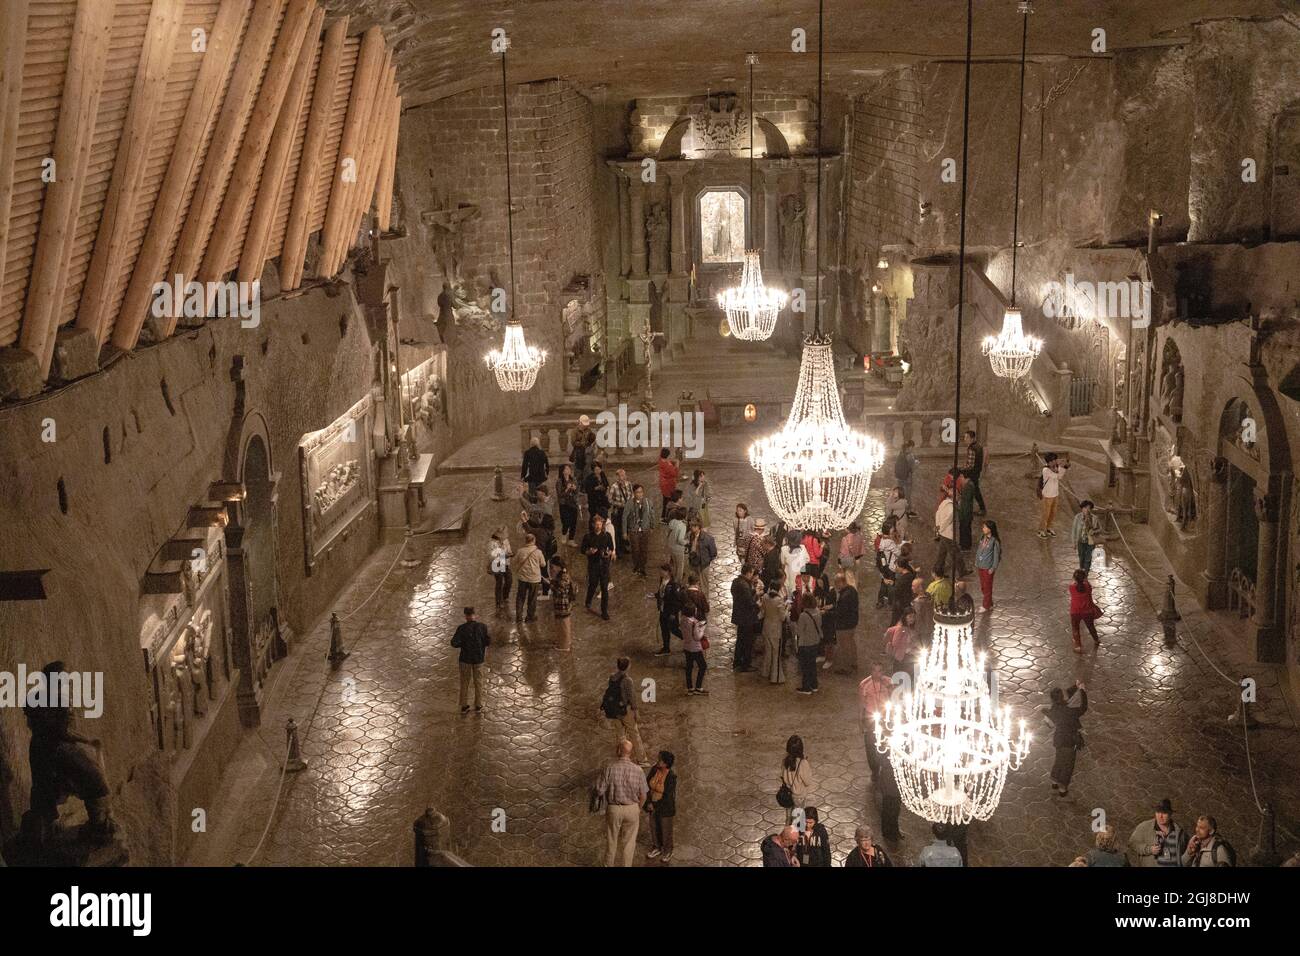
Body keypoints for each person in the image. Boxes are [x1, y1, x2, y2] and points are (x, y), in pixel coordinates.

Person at [596, 739, 648, 866]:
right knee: (629, 844)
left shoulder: (610, 768)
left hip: (614, 809)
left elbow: (600, 790)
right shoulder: (638, 770)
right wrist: (637, 809)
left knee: (611, 841)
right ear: (630, 753)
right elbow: (644, 795)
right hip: (632, 808)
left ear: (618, 751)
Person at [1041, 681, 1087, 796]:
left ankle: (1054, 780)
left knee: (1059, 760)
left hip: (1058, 739)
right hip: (1069, 741)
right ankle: (1062, 789)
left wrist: (1076, 686)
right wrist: (1083, 691)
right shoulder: (1071, 712)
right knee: (1068, 765)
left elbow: (1067, 694)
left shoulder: (1055, 707)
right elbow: (1083, 707)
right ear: (1062, 698)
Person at [600, 657, 647, 764]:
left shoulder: (612, 677)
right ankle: (642, 759)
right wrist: (636, 712)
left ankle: (622, 756)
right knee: (634, 733)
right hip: (625, 711)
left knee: (620, 734)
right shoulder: (627, 680)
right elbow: (632, 697)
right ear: (628, 666)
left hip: (614, 711)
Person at [450, 607, 490, 714]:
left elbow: (454, 643)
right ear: (475, 615)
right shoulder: (483, 627)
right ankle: (478, 705)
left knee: (464, 682)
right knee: (479, 682)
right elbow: (488, 641)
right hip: (479, 659)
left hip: (465, 659)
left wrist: (463, 643)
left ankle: (464, 706)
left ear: (465, 616)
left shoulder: (461, 628)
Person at [1128, 799, 1188, 867]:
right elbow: (1132, 843)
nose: (1160, 816)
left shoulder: (1179, 832)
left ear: (1170, 814)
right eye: (1158, 812)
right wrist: (1149, 849)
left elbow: (1186, 855)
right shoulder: (1144, 827)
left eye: (1164, 813)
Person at [858, 662, 892, 778]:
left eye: (880, 671)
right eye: (874, 670)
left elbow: (892, 700)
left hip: (884, 716)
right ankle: (874, 770)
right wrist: (860, 721)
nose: (877, 674)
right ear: (871, 671)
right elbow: (861, 704)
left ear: (883, 672)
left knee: (886, 742)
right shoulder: (864, 684)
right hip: (870, 717)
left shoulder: (888, 682)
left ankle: (886, 767)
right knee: (870, 744)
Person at [644, 751, 678, 862]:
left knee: (665, 829)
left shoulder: (671, 776)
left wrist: (654, 805)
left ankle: (668, 851)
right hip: (652, 805)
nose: (657, 761)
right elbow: (646, 784)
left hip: (665, 808)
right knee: (654, 827)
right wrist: (649, 802)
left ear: (665, 764)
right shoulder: (655, 769)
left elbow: (668, 795)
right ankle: (657, 847)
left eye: (660, 760)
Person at [582, 513, 616, 620]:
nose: (598, 526)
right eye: (596, 524)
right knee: (592, 585)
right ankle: (588, 601)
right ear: (593, 525)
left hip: (604, 566)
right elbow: (583, 550)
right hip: (593, 565)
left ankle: (604, 611)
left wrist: (608, 553)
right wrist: (590, 552)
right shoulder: (588, 537)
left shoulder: (607, 536)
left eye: (600, 524)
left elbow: (611, 548)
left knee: (604, 589)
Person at [829, 570, 860, 675]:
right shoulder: (852, 590)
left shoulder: (844, 596)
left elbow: (840, 612)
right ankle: (853, 662)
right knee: (851, 643)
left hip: (844, 625)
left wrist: (828, 612)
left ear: (840, 582)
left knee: (844, 646)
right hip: (852, 623)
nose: (836, 586)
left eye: (836, 584)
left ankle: (846, 668)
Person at [622, 483, 656, 576]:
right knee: (635, 549)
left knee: (644, 549)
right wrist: (624, 532)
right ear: (634, 493)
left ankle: (642, 567)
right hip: (634, 530)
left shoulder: (648, 502)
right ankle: (636, 565)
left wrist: (652, 526)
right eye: (637, 492)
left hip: (645, 529)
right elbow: (624, 517)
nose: (639, 494)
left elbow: (652, 514)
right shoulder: (629, 503)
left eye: (641, 492)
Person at [731, 565, 761, 672]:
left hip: (740, 616)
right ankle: (745, 664)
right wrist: (758, 604)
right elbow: (749, 602)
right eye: (752, 573)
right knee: (747, 641)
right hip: (746, 618)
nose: (753, 576)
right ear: (748, 573)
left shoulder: (736, 582)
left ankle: (737, 662)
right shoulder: (744, 585)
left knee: (740, 640)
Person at [511, 532, 544, 624]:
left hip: (522, 579)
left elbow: (514, 561)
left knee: (520, 597)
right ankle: (530, 617)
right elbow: (543, 564)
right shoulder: (538, 552)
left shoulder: (520, 551)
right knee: (532, 599)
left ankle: (519, 618)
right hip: (534, 579)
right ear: (534, 541)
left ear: (526, 541)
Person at [1068, 568, 1102, 654]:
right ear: (1084, 578)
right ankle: (1096, 640)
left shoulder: (1071, 587)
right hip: (1087, 611)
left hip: (1075, 611)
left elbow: (1074, 584)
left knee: (1075, 628)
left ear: (1074, 578)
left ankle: (1078, 646)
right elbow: (1087, 584)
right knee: (1091, 626)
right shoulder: (1088, 586)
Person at [780, 736, 814, 819]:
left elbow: (783, 776)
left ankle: (788, 830)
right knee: (798, 818)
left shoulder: (785, 760)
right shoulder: (803, 763)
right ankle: (796, 831)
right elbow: (807, 781)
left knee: (789, 816)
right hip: (799, 796)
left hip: (787, 793)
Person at [794, 598, 823, 695]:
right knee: (812, 664)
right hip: (815, 641)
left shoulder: (803, 615)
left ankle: (806, 687)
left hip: (806, 643)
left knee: (805, 666)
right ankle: (814, 685)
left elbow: (799, 631)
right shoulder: (818, 612)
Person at [1037, 452, 1070, 538]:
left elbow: (1059, 474)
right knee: (1046, 513)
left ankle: (1049, 527)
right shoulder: (1046, 470)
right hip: (1047, 495)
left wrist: (1063, 466)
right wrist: (1063, 467)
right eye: (1054, 460)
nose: (1056, 461)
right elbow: (1058, 476)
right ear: (1050, 461)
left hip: (1055, 494)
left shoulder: (1055, 467)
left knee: (1053, 513)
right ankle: (1041, 530)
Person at [934, 487, 964, 578]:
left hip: (943, 533)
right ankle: (962, 571)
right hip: (948, 534)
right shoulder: (951, 507)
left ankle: (937, 571)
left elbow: (937, 514)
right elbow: (947, 520)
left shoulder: (944, 502)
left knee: (942, 554)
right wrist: (940, 529)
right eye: (958, 495)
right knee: (956, 553)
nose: (959, 496)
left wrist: (937, 527)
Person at [760, 586, 788, 684]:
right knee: (776, 653)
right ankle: (775, 677)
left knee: (768, 651)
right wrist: (787, 609)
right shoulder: (778, 600)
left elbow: (762, 612)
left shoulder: (764, 597)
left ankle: (765, 672)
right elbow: (783, 617)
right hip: (776, 630)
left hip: (766, 627)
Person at [654, 563, 682, 656]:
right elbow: (661, 593)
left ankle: (689, 641)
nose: (660, 572)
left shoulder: (674, 584)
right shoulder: (662, 580)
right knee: (664, 629)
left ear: (668, 572)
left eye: (662, 570)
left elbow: (677, 600)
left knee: (674, 629)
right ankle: (666, 648)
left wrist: (673, 613)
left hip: (670, 612)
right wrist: (655, 596)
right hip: (663, 609)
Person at [680, 604, 708, 695]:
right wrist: (702, 629)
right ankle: (698, 687)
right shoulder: (694, 623)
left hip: (686, 647)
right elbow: (697, 637)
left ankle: (690, 688)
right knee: (703, 666)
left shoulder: (683, 620)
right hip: (695, 648)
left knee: (689, 667)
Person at [974, 520, 1001, 612]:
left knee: (987, 587)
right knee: (983, 586)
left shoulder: (994, 541)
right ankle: (990, 603)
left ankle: (986, 606)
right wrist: (977, 561)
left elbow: (996, 556)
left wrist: (993, 567)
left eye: (985, 527)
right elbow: (979, 550)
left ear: (990, 529)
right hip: (980, 566)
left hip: (988, 568)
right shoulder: (983, 538)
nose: (983, 529)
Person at [1071, 498, 1103, 572]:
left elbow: (1100, 529)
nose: (1086, 510)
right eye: (1085, 508)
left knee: (1088, 559)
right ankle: (1082, 571)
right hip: (1081, 541)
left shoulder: (1094, 518)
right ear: (1082, 508)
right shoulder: (1077, 517)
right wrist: (1074, 543)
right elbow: (1074, 531)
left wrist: (1094, 532)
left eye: (1089, 508)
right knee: (1081, 557)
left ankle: (1085, 574)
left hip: (1090, 542)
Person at [877, 750, 902, 841]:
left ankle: (895, 830)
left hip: (896, 789)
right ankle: (887, 832)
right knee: (888, 811)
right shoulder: (886, 756)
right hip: (889, 789)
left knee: (895, 811)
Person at [550, 558, 575, 651]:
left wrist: (551, 585)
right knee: (561, 624)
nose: (551, 569)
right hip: (561, 604)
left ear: (558, 567)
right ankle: (563, 641)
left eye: (553, 567)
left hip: (563, 605)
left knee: (563, 625)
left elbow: (559, 591)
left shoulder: (564, 577)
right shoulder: (561, 575)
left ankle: (564, 645)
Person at [687, 516, 717, 591]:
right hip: (694, 562)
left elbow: (713, 553)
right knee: (694, 582)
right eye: (691, 526)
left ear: (698, 527)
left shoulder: (708, 538)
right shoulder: (691, 535)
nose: (691, 528)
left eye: (694, 526)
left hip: (703, 564)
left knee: (704, 584)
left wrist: (706, 560)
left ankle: (705, 600)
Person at [884, 609, 916, 678]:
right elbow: (895, 642)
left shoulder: (909, 627)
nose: (912, 619)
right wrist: (907, 648)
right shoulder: (901, 628)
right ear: (905, 617)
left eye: (913, 617)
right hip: (900, 657)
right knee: (899, 677)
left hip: (906, 656)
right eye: (910, 616)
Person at [608, 468, 632, 558]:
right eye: (621, 475)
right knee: (617, 531)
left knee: (625, 529)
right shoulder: (614, 487)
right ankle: (618, 549)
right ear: (617, 477)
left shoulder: (628, 484)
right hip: (618, 511)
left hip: (627, 510)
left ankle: (623, 546)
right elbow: (610, 500)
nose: (623, 477)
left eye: (624, 475)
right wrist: (620, 504)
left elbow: (631, 494)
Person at [556, 463, 580, 546]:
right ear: (562, 471)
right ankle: (564, 533)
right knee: (565, 521)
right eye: (566, 469)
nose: (568, 470)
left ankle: (571, 539)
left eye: (569, 469)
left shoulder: (574, 479)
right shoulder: (559, 481)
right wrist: (567, 489)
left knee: (573, 522)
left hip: (573, 503)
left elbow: (577, 491)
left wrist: (575, 488)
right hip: (564, 504)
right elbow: (559, 495)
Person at [963, 429, 987, 515]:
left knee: (973, 490)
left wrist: (962, 470)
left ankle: (981, 509)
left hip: (972, 473)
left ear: (972, 438)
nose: (965, 439)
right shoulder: (978, 446)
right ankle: (981, 508)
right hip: (976, 472)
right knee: (975, 490)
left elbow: (970, 465)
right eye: (964, 437)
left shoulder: (971, 448)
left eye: (967, 437)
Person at [570, 414, 597, 489]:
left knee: (587, 470)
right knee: (578, 471)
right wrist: (582, 444)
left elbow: (591, 439)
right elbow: (573, 442)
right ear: (580, 423)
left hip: (587, 453)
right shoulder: (574, 431)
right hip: (578, 453)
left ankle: (585, 487)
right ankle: (577, 487)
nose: (586, 426)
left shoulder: (589, 430)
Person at [489, 528, 513, 611]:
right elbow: (492, 555)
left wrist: (509, 553)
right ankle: (499, 602)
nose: (504, 537)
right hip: (497, 564)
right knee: (499, 583)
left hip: (505, 563)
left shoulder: (506, 540)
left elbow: (509, 549)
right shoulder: (492, 543)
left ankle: (505, 596)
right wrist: (503, 555)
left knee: (509, 580)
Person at [889, 559, 917, 626]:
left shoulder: (902, 579)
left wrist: (893, 585)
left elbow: (896, 592)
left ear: (901, 567)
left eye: (897, 566)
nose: (896, 568)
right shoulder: (911, 574)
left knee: (895, 621)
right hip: (907, 600)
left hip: (900, 603)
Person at [584, 461, 611, 530]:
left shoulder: (602, 474)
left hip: (603, 500)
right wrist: (596, 488)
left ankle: (603, 530)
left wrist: (607, 490)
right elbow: (587, 490)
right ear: (593, 470)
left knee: (604, 516)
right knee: (594, 518)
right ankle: (593, 532)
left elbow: (607, 484)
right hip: (594, 501)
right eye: (596, 470)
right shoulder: (589, 478)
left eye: (599, 469)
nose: (598, 471)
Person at [957, 467, 978, 551]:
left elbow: (965, 501)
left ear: (963, 476)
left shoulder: (968, 486)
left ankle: (965, 546)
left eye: (960, 477)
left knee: (965, 528)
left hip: (965, 512)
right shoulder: (968, 485)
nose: (960, 479)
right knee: (964, 528)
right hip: (965, 512)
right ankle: (963, 544)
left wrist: (958, 499)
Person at [666, 507, 689, 583]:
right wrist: (687, 542)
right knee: (680, 567)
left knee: (674, 565)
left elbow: (668, 532)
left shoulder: (672, 521)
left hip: (670, 546)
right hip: (678, 549)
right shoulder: (682, 526)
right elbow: (680, 539)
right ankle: (677, 582)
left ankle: (672, 579)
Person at [657, 448, 679, 521]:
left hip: (663, 484)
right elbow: (674, 474)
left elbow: (669, 464)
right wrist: (677, 465)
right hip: (669, 486)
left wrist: (672, 463)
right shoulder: (667, 465)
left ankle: (663, 516)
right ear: (667, 455)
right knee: (669, 502)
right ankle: (667, 517)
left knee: (665, 501)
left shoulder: (661, 461)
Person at [893, 440, 918, 505]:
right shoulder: (910, 456)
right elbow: (912, 468)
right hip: (907, 478)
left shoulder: (901, 453)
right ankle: (907, 510)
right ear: (910, 447)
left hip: (900, 477)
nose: (912, 449)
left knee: (900, 493)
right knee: (907, 494)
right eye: (912, 447)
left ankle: (899, 508)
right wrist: (916, 463)